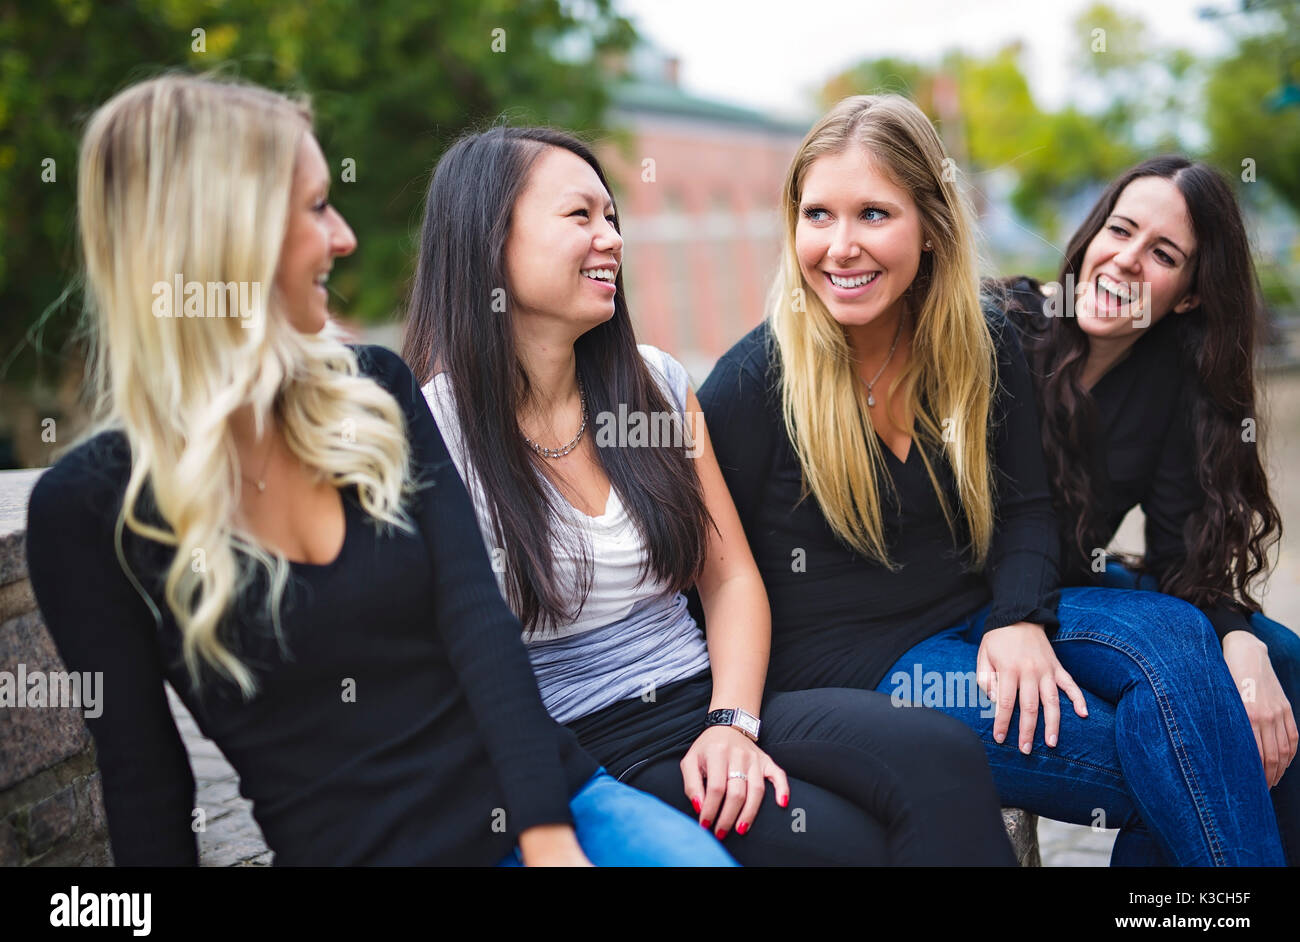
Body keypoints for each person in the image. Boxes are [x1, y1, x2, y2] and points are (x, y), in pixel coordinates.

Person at [24, 73, 736, 867]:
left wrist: (549, 841)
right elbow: (145, 786)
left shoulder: (372, 391)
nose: (344, 237)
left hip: (559, 807)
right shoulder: (85, 509)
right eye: (315, 206)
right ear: (224, 230)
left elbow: (482, 634)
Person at [403, 124, 1018, 865]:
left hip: (707, 697)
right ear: (487, 238)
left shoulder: (655, 385)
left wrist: (731, 721)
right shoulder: (429, 435)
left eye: (612, 217)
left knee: (938, 752)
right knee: (841, 845)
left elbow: (729, 578)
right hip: (581, 748)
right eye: (579, 217)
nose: (611, 239)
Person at [697, 94, 1285, 866]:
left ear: (933, 227)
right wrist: (727, 721)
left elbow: (1025, 508)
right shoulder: (751, 382)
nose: (841, 246)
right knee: (1184, 751)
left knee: (1182, 639)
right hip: (856, 670)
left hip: (976, 618)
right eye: (819, 216)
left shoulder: (983, 342)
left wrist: (1018, 616)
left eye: (874, 214)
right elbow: (698, 576)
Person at [991, 155, 1299, 864]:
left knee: (1281, 658)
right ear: (1093, 233)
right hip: (994, 603)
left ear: (1189, 295)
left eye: (1162, 254)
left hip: (1076, 590)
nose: (1127, 261)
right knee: (1184, 698)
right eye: (1120, 230)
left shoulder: (1168, 376)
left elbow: (1182, 551)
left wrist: (1241, 640)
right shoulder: (1005, 328)